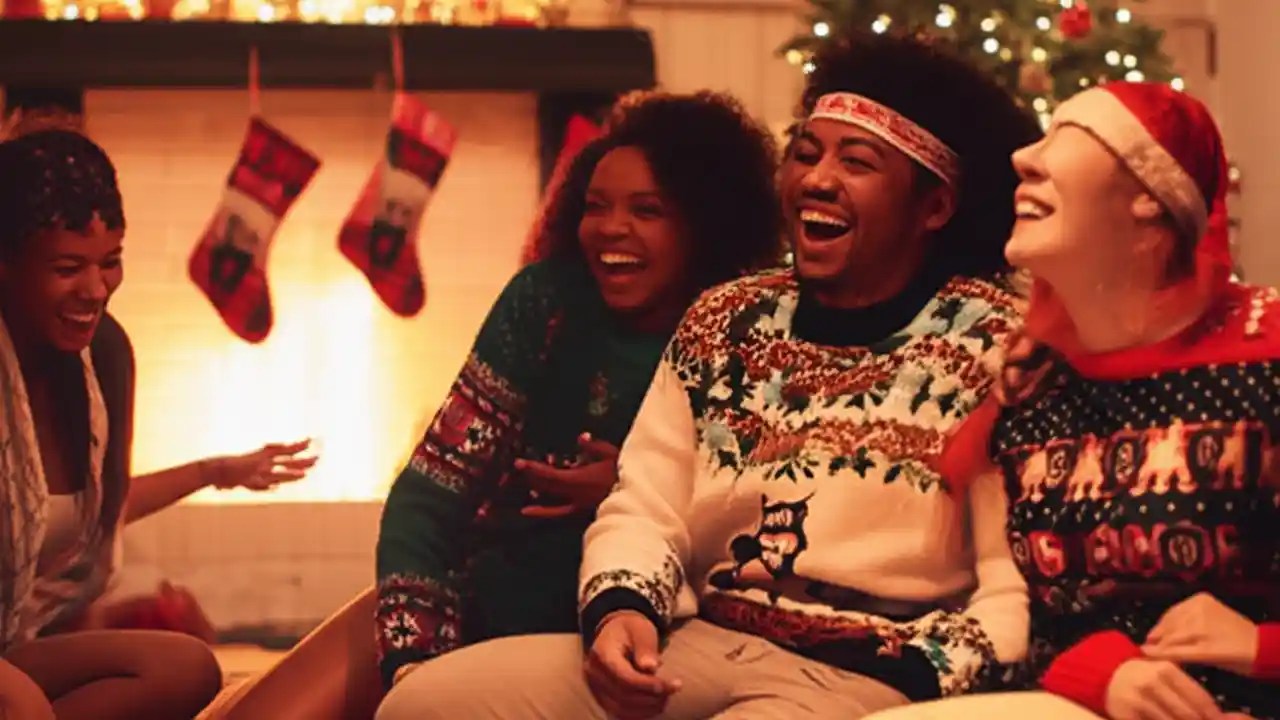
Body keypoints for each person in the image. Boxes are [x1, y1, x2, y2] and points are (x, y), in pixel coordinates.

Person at [373, 29, 1043, 720]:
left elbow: (1014, 585)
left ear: (934, 207)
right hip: (698, 641)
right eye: (805, 153)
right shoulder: (723, 318)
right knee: (422, 704)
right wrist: (621, 613)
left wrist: (920, 672)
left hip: (861, 670)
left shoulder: (999, 346)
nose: (817, 179)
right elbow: (645, 506)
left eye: (857, 162)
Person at [872, 83, 1280, 720]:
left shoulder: (1265, 356)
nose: (1024, 159)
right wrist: (1099, 672)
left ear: (1149, 199)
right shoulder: (1030, 388)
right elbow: (1038, 616)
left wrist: (1263, 648)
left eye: (1069, 135)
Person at [365, 89, 783, 701]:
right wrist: (413, 656)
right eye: (596, 206)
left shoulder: (748, 330)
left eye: (647, 210)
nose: (612, 228)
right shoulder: (547, 301)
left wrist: (631, 489)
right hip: (474, 607)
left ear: (705, 226)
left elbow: (765, 537)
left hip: (646, 639)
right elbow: (430, 494)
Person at [0, 129, 314, 718]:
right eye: (67, 267)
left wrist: (213, 472)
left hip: (12, 646)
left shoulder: (100, 360)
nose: (95, 290)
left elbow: (81, 511)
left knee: (185, 666)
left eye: (110, 262)